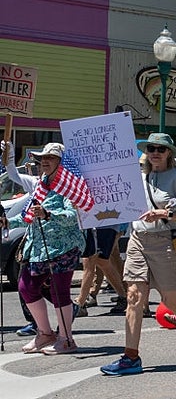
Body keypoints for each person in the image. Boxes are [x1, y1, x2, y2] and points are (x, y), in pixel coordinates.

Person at [101, 133, 176, 375]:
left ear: (169, 153)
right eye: (151, 148)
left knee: (169, 299)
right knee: (133, 297)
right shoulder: (138, 177)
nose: (155, 152)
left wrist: (165, 214)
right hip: (138, 240)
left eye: (161, 149)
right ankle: (131, 357)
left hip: (165, 243)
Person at [1, 142, 86, 355]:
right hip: (39, 248)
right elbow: (29, 216)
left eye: (50, 157)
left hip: (64, 248)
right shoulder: (41, 184)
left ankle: (66, 340)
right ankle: (45, 333)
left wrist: (48, 215)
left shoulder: (69, 185)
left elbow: (72, 217)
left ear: (61, 161)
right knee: (26, 286)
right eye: (42, 158)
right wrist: (9, 223)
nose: (44, 161)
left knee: (59, 292)